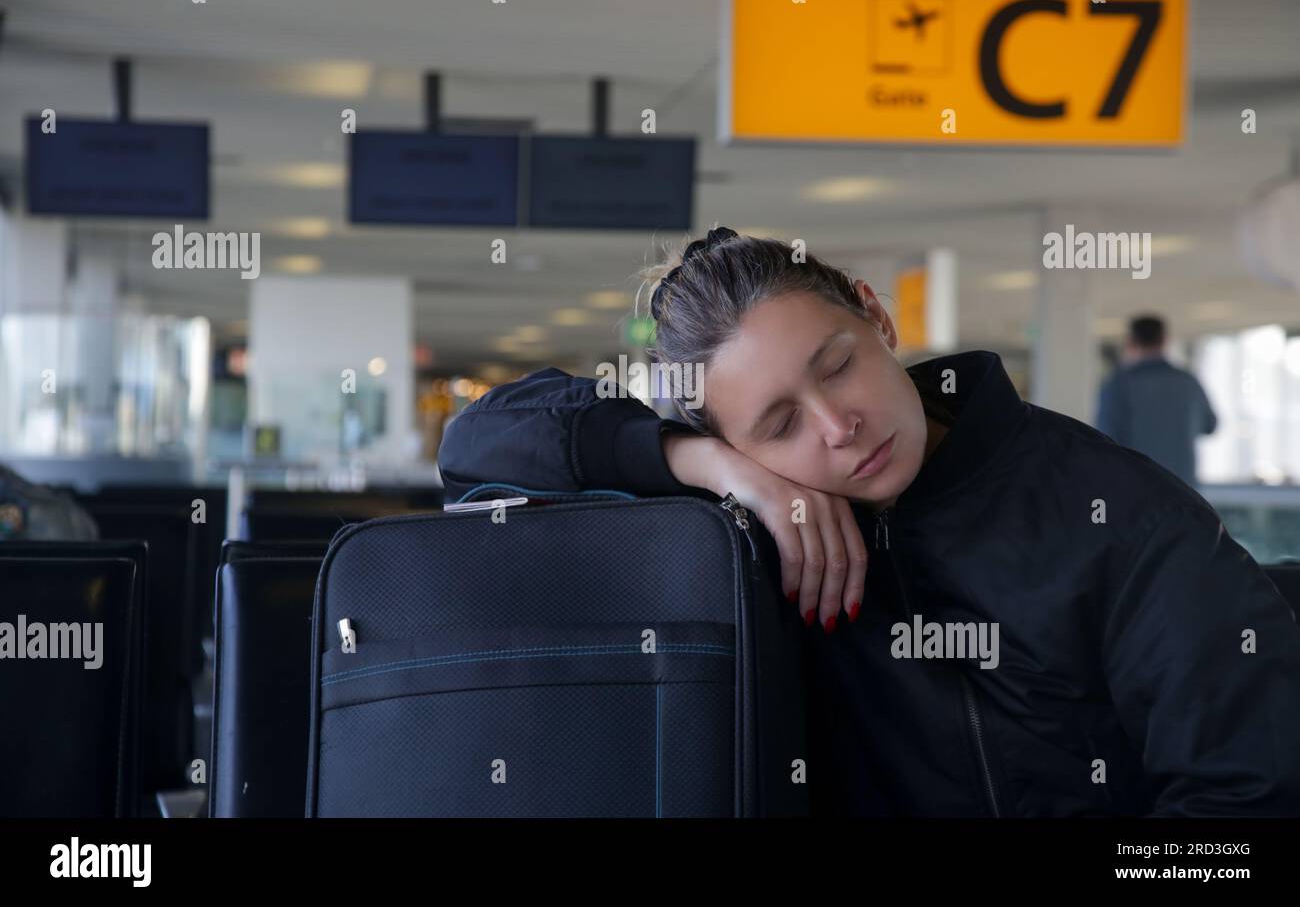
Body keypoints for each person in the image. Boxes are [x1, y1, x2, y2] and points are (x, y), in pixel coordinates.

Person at [438, 227, 1300, 816]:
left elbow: (1245, 811)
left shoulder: (1116, 513)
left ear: (876, 314)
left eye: (839, 366)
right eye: (778, 424)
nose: (836, 426)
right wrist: (708, 467)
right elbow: (481, 438)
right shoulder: (737, 521)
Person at [1096, 315, 1218, 487]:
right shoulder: (1187, 381)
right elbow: (1211, 425)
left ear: (1131, 342)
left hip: (1138, 488)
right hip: (1184, 490)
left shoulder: (1119, 384)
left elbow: (1106, 440)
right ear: (1165, 340)